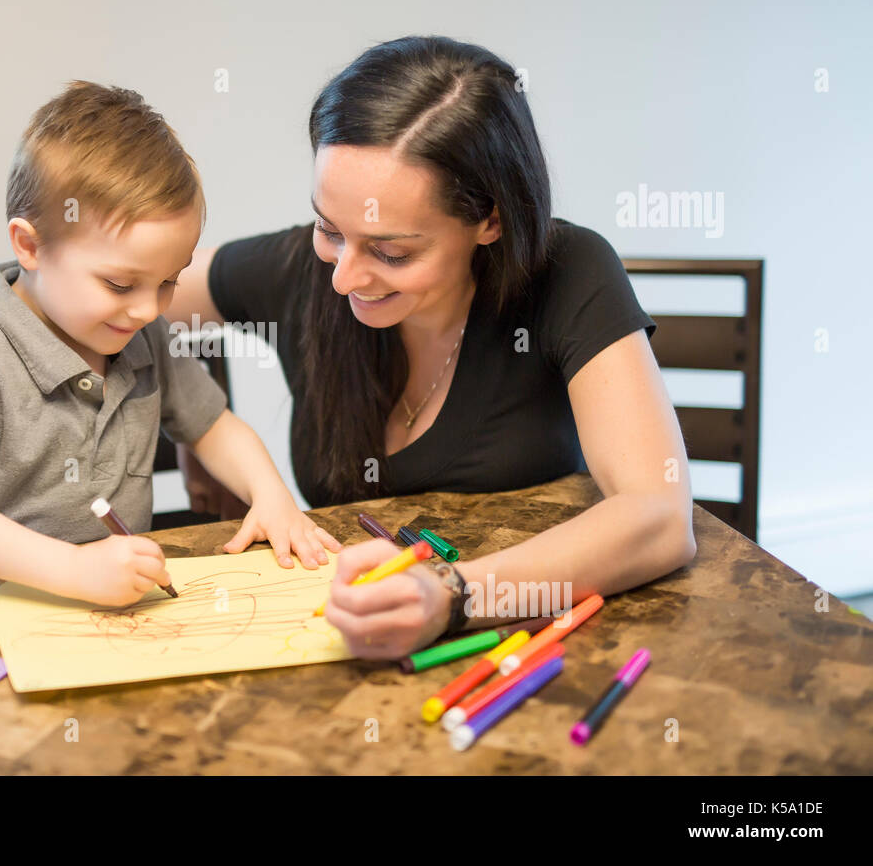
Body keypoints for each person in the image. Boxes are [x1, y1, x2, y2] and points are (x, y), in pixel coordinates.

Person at [168, 36, 696, 658]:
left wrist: (453, 595)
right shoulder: (299, 269)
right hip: (343, 653)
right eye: (328, 229)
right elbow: (105, 286)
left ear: (489, 221)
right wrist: (192, 420)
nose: (343, 277)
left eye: (392, 252)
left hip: (528, 652)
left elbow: (660, 518)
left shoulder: (570, 272)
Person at [0, 81, 342, 608]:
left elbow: (214, 427)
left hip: (109, 611)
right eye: (119, 285)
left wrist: (271, 496)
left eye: (168, 282)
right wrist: (71, 568)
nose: (150, 309)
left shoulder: (141, 335)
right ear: (30, 245)